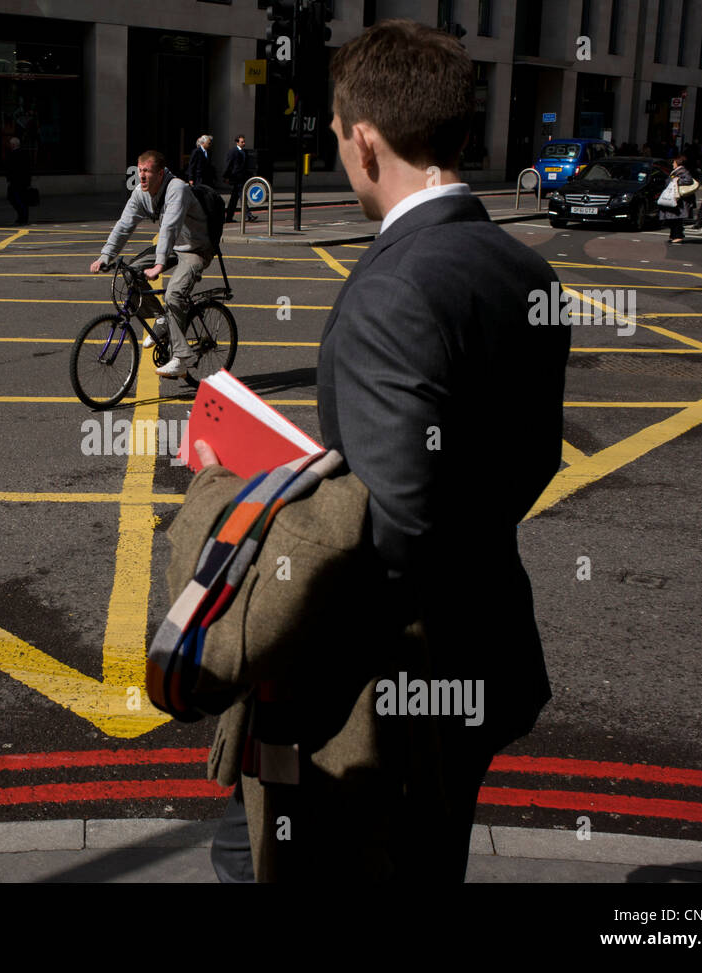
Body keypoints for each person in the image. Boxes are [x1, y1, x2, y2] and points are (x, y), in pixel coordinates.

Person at [208, 19, 570, 882]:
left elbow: (393, 526)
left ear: (365, 143)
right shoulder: (523, 271)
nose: (339, 152)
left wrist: (266, 497)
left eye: (337, 136)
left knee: (252, 858)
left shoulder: (394, 290)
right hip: (485, 647)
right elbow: (534, 456)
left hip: (386, 690)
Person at [88, 150, 214, 379]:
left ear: (161, 173)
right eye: (139, 171)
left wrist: (159, 264)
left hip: (196, 248)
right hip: (173, 247)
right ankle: (161, 318)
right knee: (130, 272)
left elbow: (170, 227)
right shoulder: (140, 193)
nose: (142, 176)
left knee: (174, 294)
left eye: (147, 171)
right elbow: (124, 225)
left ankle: (181, 359)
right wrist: (106, 256)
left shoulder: (178, 189)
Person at [660, 154, 696, 243]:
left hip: (679, 199)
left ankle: (678, 235)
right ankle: (674, 235)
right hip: (675, 198)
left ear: (678, 162)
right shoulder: (677, 171)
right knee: (672, 218)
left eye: (674, 162)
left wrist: (676, 180)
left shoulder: (682, 171)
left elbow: (688, 180)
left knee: (676, 219)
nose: (673, 164)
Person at [223, 134, 257, 223]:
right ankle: (248, 215)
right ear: (237, 142)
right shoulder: (233, 152)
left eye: (244, 141)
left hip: (242, 178)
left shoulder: (244, 152)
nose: (244, 143)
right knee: (243, 197)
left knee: (234, 199)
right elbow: (228, 164)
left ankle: (229, 217)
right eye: (242, 142)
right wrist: (226, 176)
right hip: (236, 178)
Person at [5, 135, 32, 225]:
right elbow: (29, 168)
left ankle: (22, 216)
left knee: (14, 198)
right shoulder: (25, 154)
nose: (9, 146)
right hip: (24, 181)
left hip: (15, 182)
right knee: (23, 199)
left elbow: (9, 168)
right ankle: (23, 216)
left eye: (10, 144)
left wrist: (9, 178)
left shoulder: (12, 154)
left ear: (13, 145)